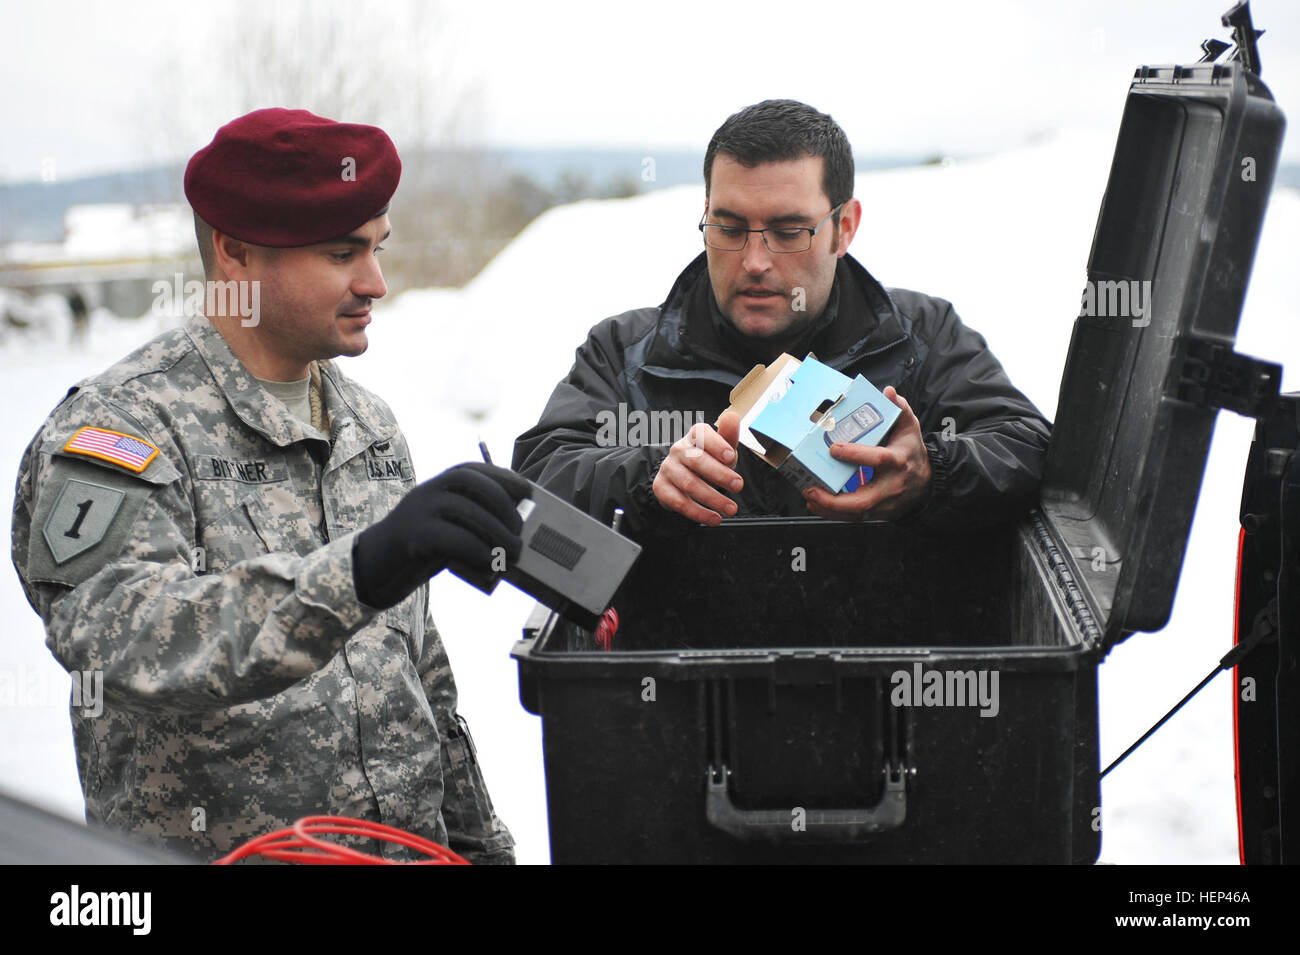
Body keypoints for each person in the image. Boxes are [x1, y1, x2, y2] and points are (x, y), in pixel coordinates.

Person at [10, 108, 528, 863]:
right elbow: (115, 637)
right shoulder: (123, 428)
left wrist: (484, 851)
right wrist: (357, 571)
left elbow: (421, 683)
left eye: (379, 248)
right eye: (341, 253)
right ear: (236, 254)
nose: (376, 282)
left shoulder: (367, 424)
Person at [513, 100, 1050, 535]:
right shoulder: (625, 351)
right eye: (728, 228)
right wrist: (649, 477)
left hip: (883, 655)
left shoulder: (922, 336)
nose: (755, 262)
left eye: (789, 231)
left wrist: (931, 472)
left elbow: (1032, 447)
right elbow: (534, 482)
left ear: (845, 227)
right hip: (679, 658)